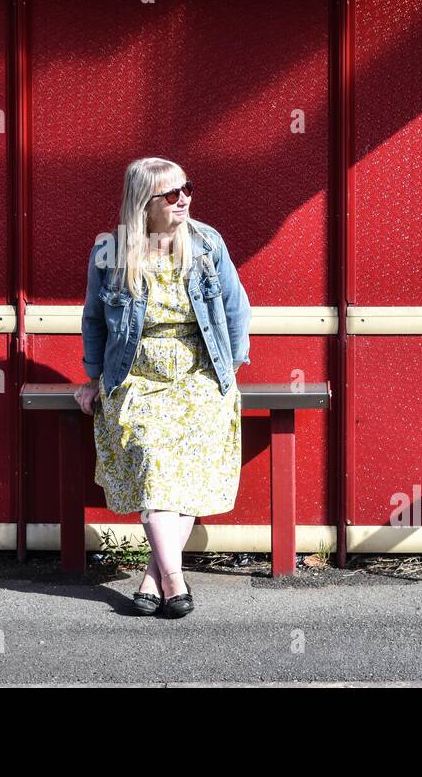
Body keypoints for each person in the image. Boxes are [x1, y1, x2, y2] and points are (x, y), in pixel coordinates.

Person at [76, 157, 252, 618]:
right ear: (145, 203)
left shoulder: (206, 243)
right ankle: (174, 578)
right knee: (155, 463)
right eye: (172, 194)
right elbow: (94, 320)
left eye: (187, 189)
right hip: (135, 375)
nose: (185, 199)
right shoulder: (111, 252)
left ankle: (157, 577)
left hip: (199, 372)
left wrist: (228, 376)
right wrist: (94, 378)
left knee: (187, 469)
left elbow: (236, 310)